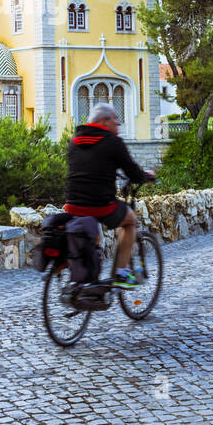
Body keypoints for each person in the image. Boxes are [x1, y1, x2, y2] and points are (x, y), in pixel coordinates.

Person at [65, 103, 154, 288]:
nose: (119, 123)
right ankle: (121, 273)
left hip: (73, 204)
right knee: (130, 221)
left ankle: (89, 278)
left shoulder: (74, 141)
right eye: (115, 119)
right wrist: (146, 176)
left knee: (93, 233)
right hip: (100, 204)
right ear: (104, 121)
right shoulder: (113, 142)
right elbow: (133, 172)